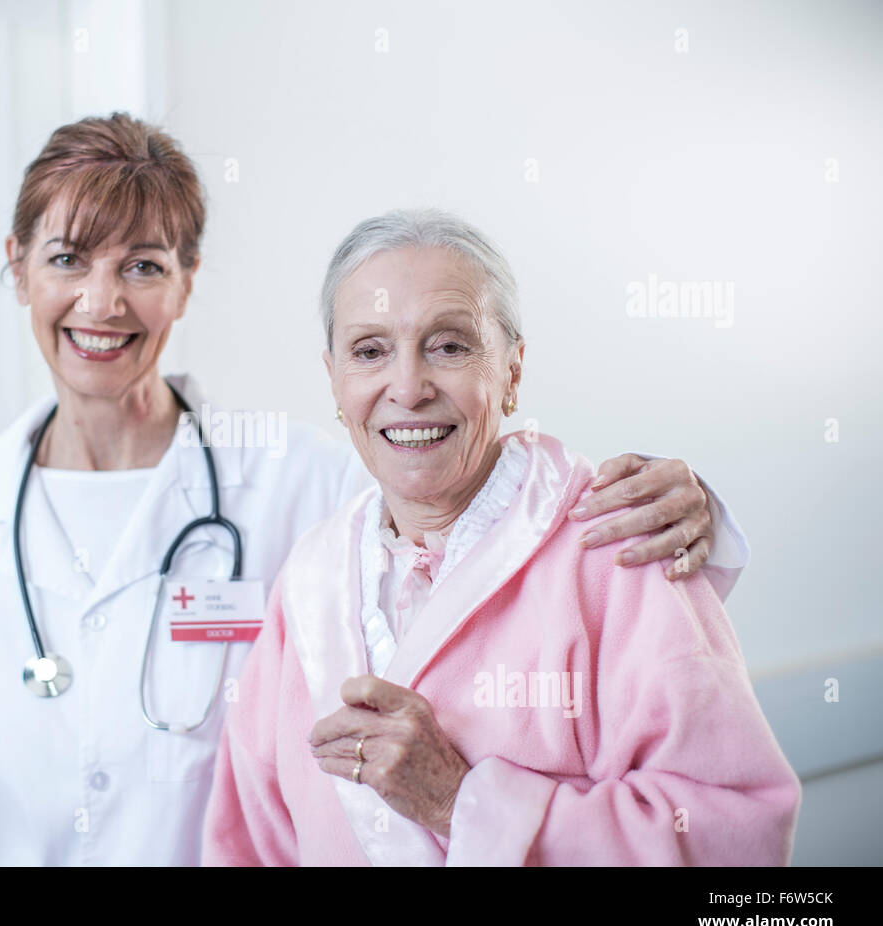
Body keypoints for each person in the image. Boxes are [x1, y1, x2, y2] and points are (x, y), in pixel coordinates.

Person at [0, 114, 746, 866]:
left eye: (144, 263)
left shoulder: (293, 476)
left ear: (187, 280)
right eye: (67, 258)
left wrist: (688, 503)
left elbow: (476, 520)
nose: (101, 300)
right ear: (18, 268)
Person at [201, 209, 799, 866]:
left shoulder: (617, 548)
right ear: (335, 378)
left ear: (512, 371)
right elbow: (247, 843)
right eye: (370, 351)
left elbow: (737, 838)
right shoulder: (310, 582)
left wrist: (462, 804)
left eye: (449, 346)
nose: (407, 387)